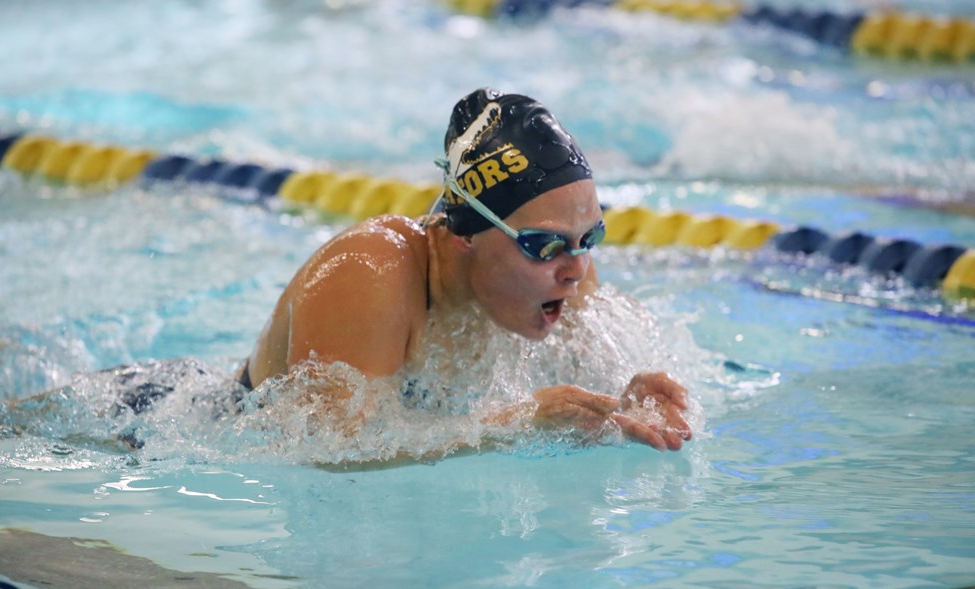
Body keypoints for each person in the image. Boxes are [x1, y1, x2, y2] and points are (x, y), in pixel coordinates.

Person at [238, 87, 692, 455]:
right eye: (545, 245)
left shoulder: (563, 273)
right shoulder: (368, 271)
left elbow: (580, 394)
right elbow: (321, 448)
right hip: (221, 429)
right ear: (466, 234)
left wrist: (624, 400)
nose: (576, 270)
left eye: (590, 238)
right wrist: (512, 424)